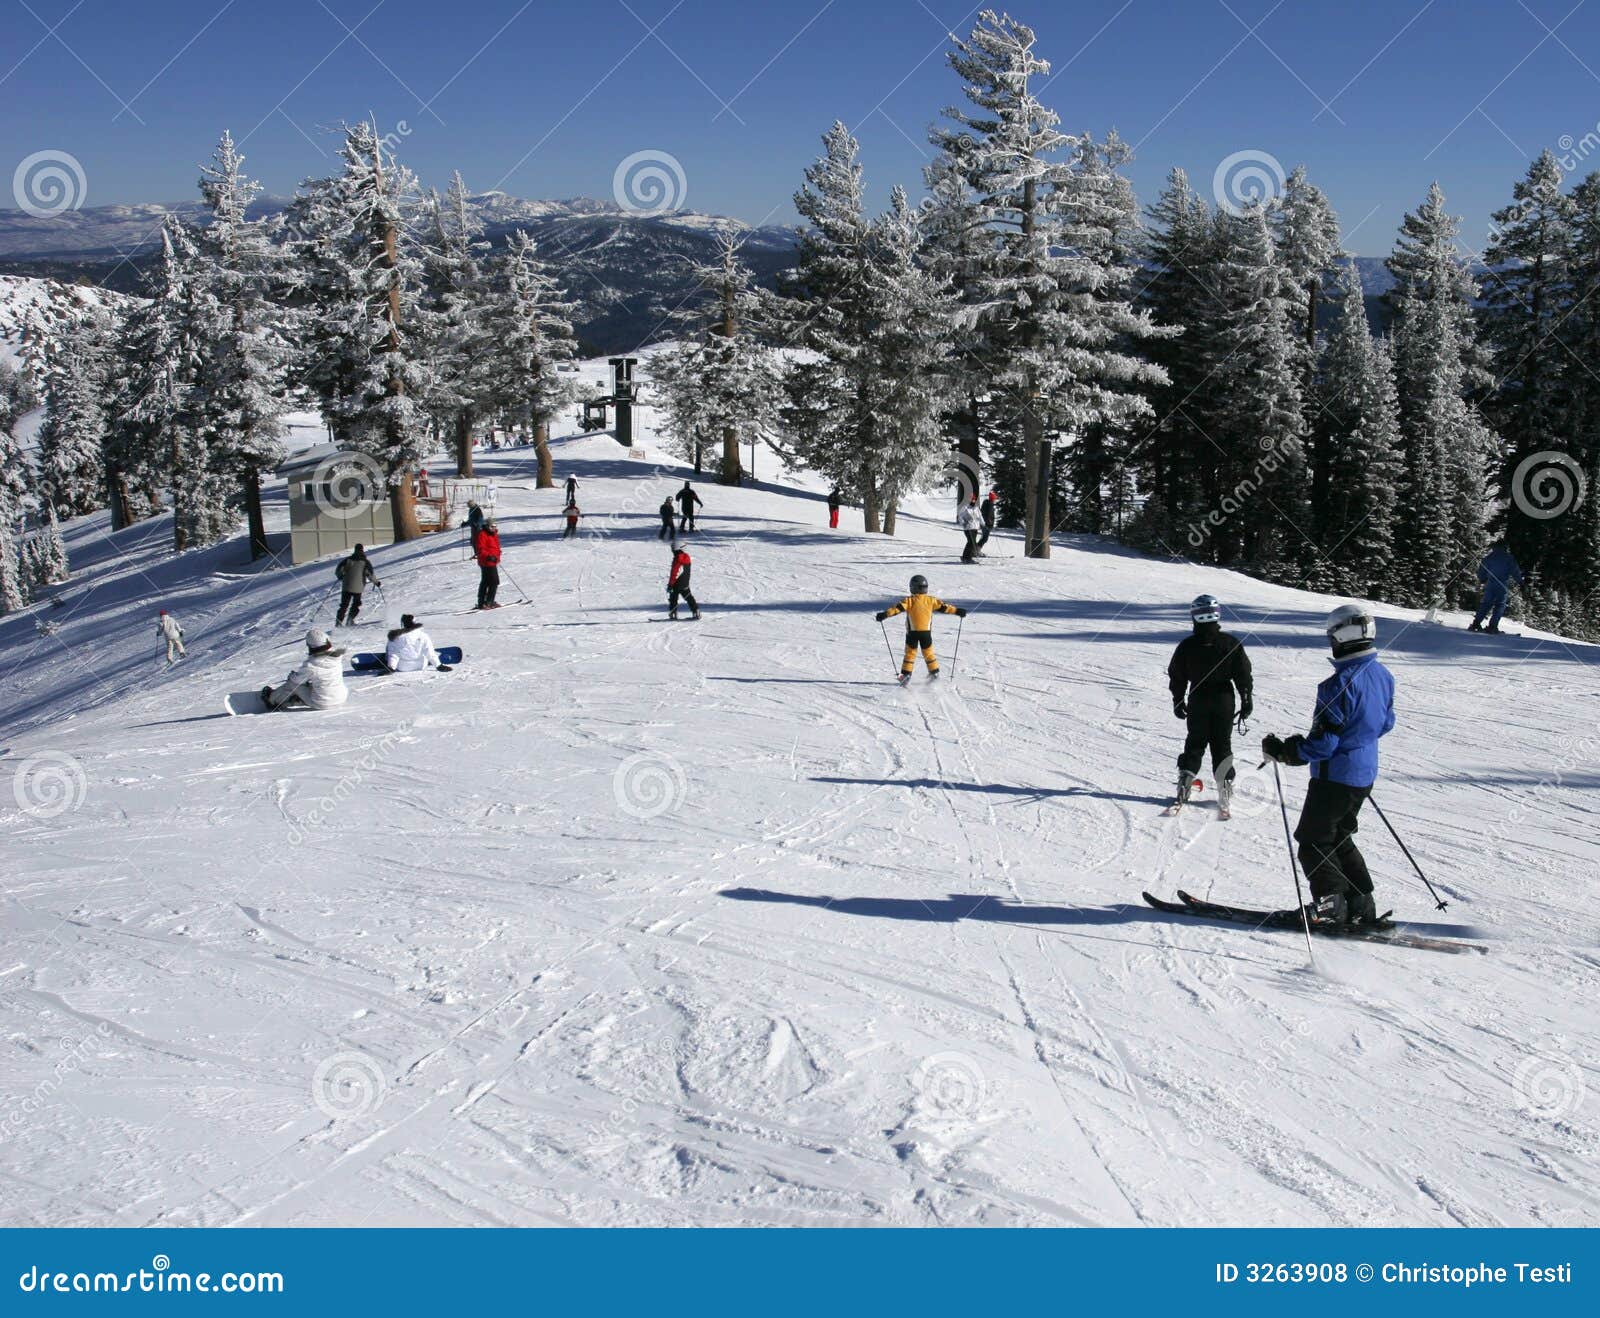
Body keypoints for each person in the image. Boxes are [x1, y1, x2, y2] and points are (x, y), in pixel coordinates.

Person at [1262, 603, 1397, 927]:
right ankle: (1360, 903)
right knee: (1338, 837)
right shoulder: (1382, 675)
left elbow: (1323, 745)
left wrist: (1286, 751)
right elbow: (1386, 723)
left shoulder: (1337, 686)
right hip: (1363, 774)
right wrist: (1355, 740)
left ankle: (1330, 905)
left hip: (1334, 777)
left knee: (1313, 839)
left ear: (1342, 636)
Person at [1167, 594, 1253, 814]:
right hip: (1224, 698)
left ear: (1195, 617)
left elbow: (1177, 675)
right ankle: (1224, 789)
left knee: (1195, 742)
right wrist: (1246, 698)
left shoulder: (1188, 645)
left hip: (1199, 697)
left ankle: (1184, 785)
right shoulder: (1230, 643)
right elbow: (1243, 673)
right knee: (1221, 744)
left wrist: (1178, 699)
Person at [875, 575, 966, 685]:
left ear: (913, 587)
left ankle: (906, 675)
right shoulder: (931, 600)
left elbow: (896, 609)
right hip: (926, 633)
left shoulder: (909, 600)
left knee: (910, 653)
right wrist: (957, 611)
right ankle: (934, 672)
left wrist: (884, 615)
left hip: (912, 633)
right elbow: (945, 607)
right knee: (928, 652)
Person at [262, 629, 349, 710]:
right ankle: (294, 701)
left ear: (310, 646)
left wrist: (292, 676)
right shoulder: (337, 656)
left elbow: (296, 681)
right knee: (317, 685)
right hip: (341, 698)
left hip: (323, 703)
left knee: (292, 684)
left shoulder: (311, 665)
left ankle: (272, 700)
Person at [1470, 541, 1523, 633]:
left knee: (1486, 604)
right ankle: (1492, 626)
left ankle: (1476, 623)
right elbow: (1515, 572)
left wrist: (1482, 579)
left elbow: (1482, 571)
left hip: (1490, 584)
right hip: (1502, 584)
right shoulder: (1508, 558)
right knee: (1500, 605)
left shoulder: (1489, 557)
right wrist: (1521, 583)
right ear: (1504, 547)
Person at [384, 614, 449, 673]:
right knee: (425, 650)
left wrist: (391, 668)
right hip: (421, 666)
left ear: (403, 624)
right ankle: (432, 660)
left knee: (390, 647)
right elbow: (429, 652)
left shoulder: (395, 637)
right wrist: (438, 665)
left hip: (404, 668)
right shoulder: (423, 635)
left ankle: (388, 660)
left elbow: (394, 653)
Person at [334, 544, 380, 626]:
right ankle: (350, 620)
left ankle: (338, 622)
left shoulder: (347, 560)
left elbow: (338, 570)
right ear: (362, 550)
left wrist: (341, 576)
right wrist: (376, 582)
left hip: (346, 586)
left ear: (355, 550)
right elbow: (370, 574)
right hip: (358, 587)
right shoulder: (365, 562)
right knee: (356, 604)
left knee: (344, 605)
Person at [667, 541, 700, 620]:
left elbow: (676, 572)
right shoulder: (687, 557)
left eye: (672, 550)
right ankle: (696, 611)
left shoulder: (677, 559)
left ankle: (673, 613)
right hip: (685, 582)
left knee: (673, 597)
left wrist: (670, 584)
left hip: (676, 583)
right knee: (688, 597)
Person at [474, 519, 502, 610]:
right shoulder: (483, 534)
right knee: (494, 581)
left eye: (494, 526)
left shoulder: (494, 534)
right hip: (486, 561)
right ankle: (488, 602)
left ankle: (484, 602)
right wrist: (489, 556)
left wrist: (498, 553)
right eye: (491, 526)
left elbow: (495, 546)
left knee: (487, 581)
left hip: (492, 561)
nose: (493, 528)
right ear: (487, 526)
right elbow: (480, 548)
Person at [957, 495, 982, 563]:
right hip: (968, 528)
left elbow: (980, 516)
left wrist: (983, 523)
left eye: (974, 499)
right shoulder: (965, 507)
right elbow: (959, 516)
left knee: (971, 542)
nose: (973, 500)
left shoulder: (976, 508)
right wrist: (963, 522)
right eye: (972, 499)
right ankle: (967, 557)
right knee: (971, 542)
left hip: (975, 527)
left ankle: (966, 557)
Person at [978, 490, 998, 554]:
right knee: (984, 538)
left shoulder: (987, 503)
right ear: (993, 499)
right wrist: (990, 524)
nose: (995, 500)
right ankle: (976, 550)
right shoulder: (990, 504)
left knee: (983, 538)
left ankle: (977, 550)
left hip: (984, 523)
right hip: (986, 524)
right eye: (994, 498)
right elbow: (988, 516)